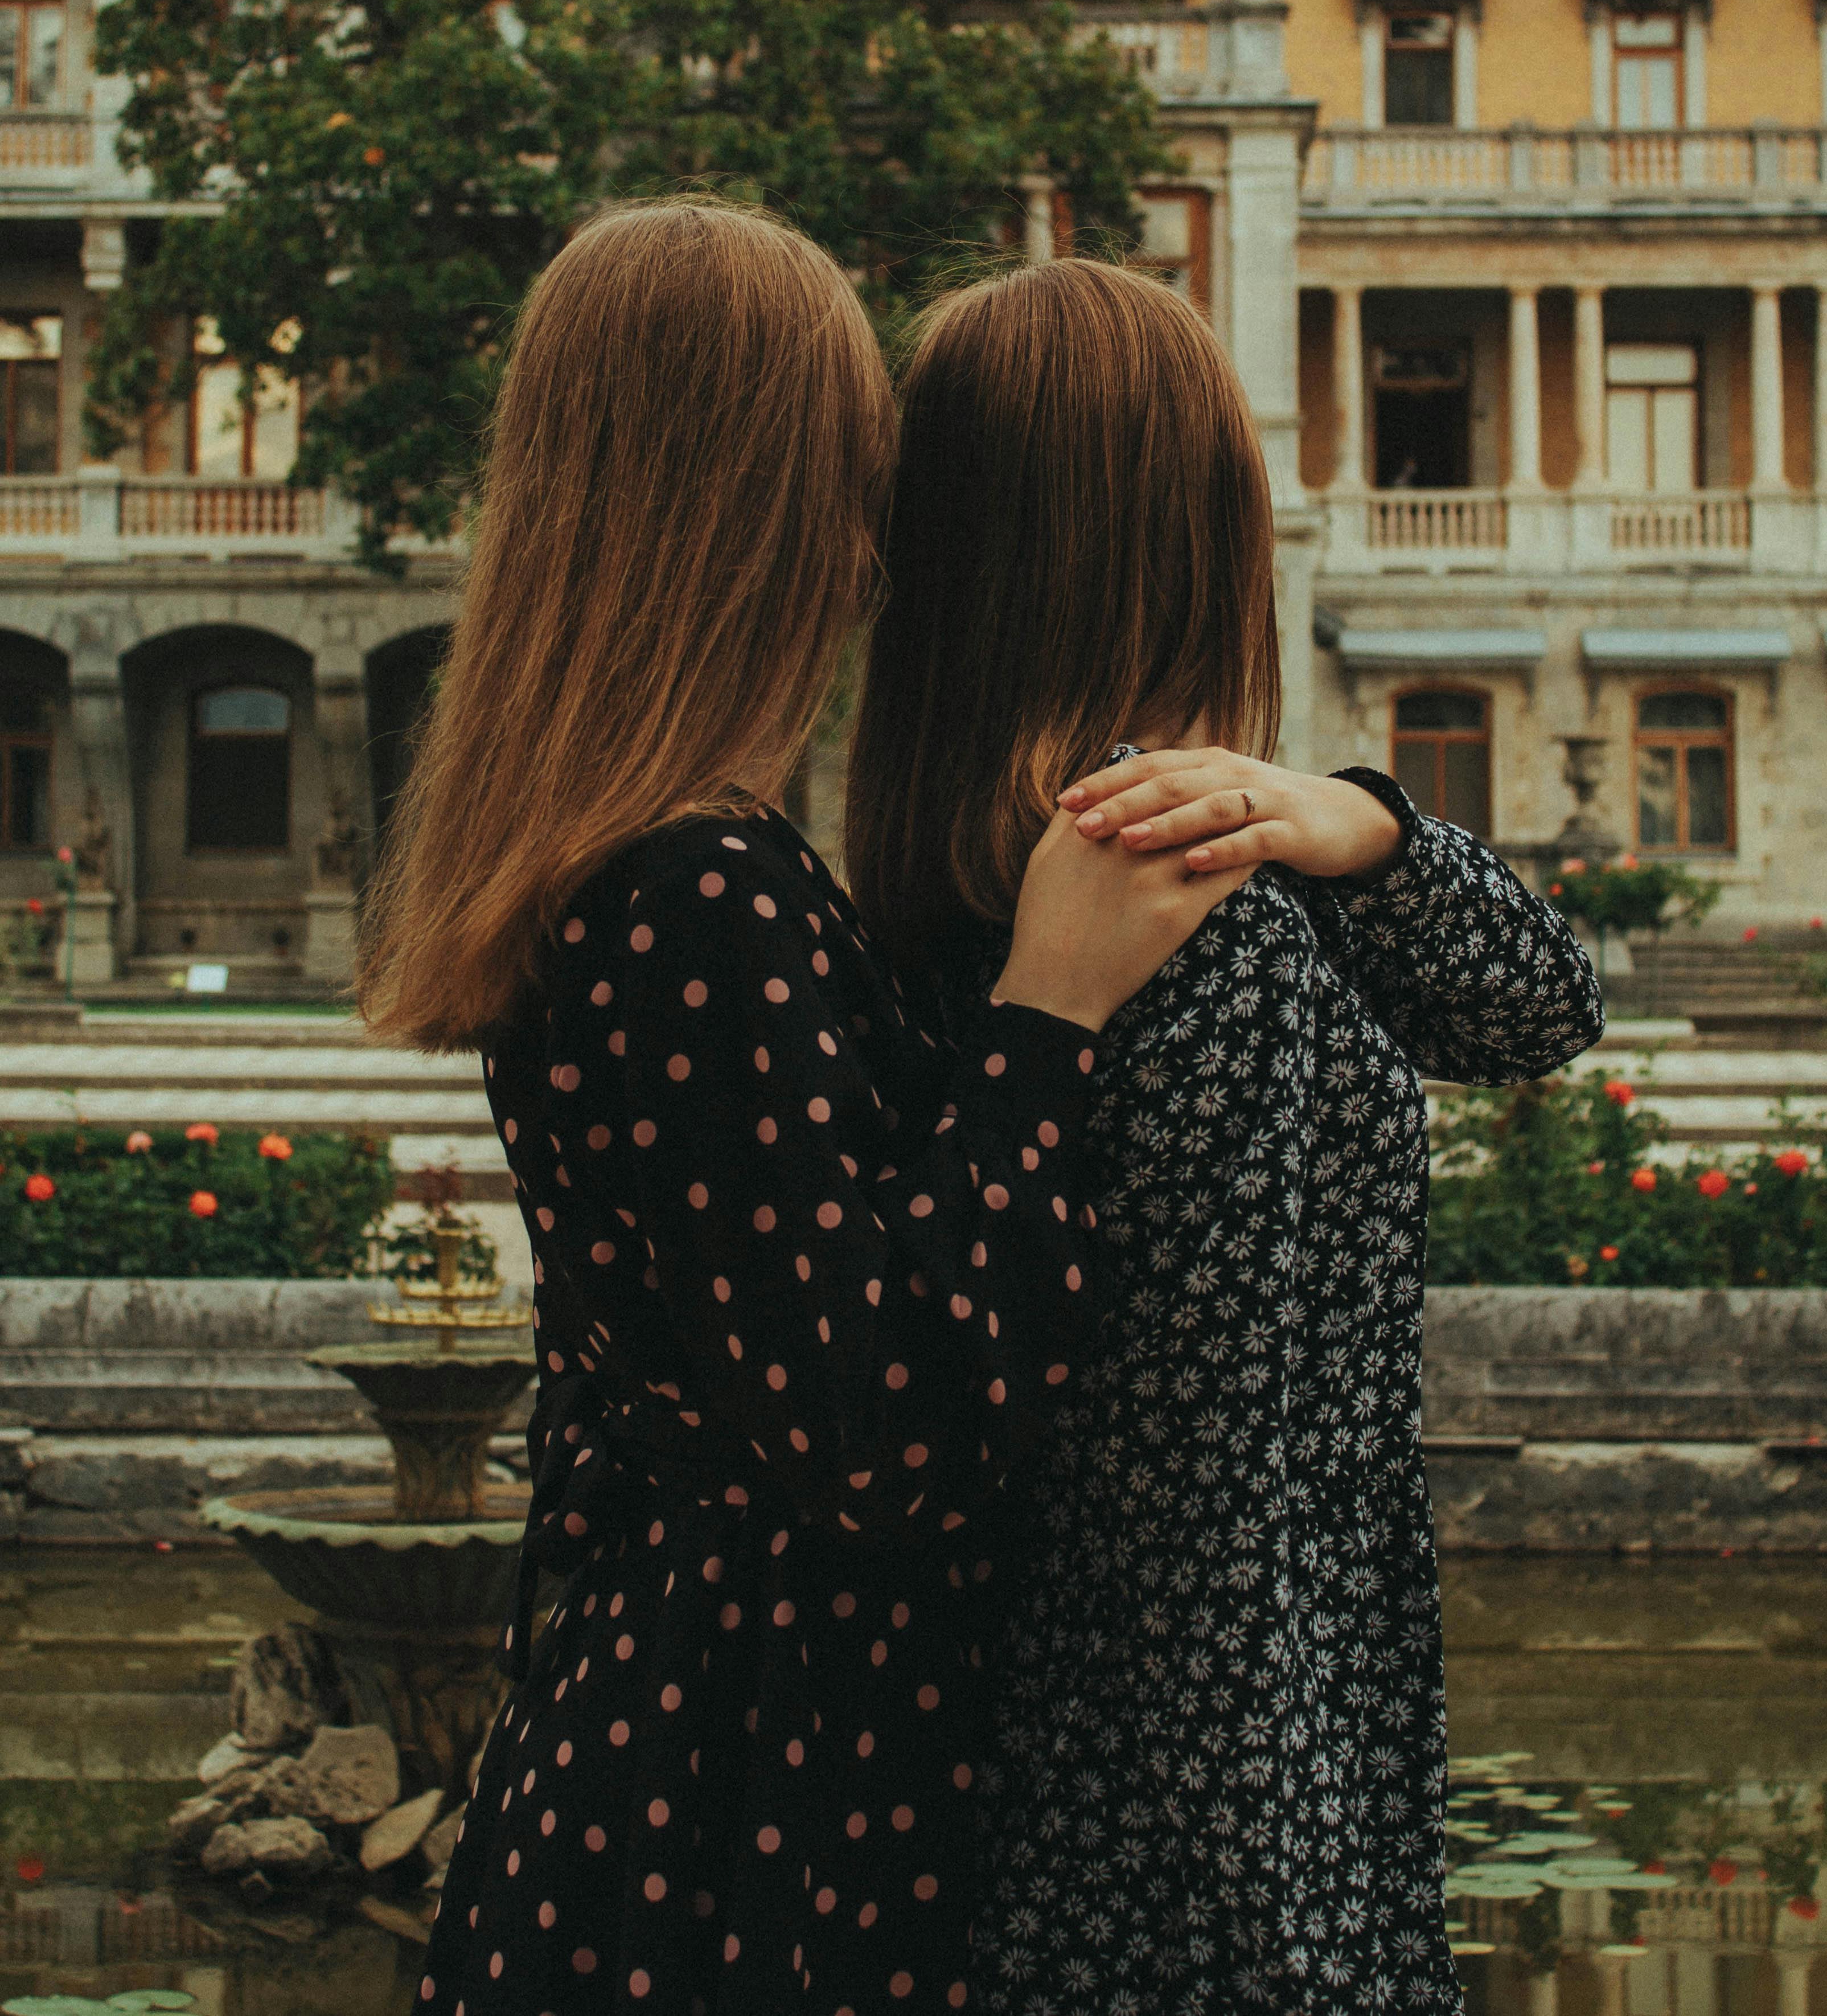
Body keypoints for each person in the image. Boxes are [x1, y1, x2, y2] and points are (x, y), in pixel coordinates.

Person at [358, 202, 1237, 2016]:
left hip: (656, 1745)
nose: (876, 548)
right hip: (759, 1803)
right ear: (771, 512)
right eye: (857, 477)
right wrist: (1045, 1018)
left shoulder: (636, 861)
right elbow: (875, 1434)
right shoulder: (701, 890)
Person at [845, 256, 1604, 2016]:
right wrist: (1293, 1926)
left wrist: (1351, 823)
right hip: (1215, 1791)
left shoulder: (1000, 872)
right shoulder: (1178, 894)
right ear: (1191, 531)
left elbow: (1537, 1003)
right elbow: (1206, 1493)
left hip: (1057, 1754)